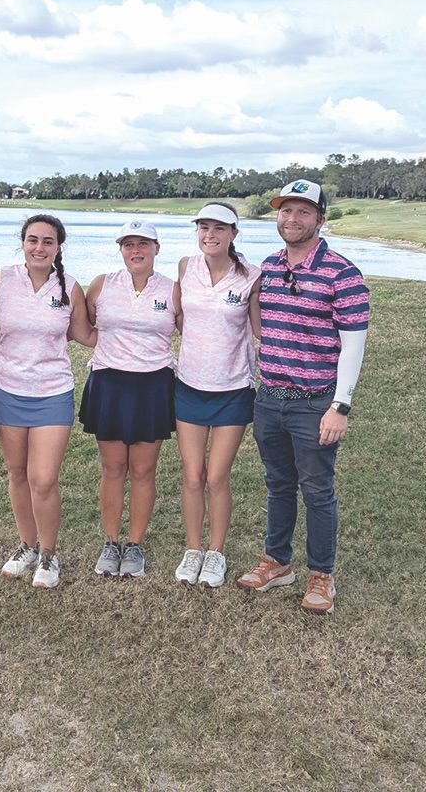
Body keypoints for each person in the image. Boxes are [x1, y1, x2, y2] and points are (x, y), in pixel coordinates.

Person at [234, 180, 369, 615]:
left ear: (320, 219)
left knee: (317, 489)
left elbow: (353, 345)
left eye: (303, 212)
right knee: (277, 484)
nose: (292, 219)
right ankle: (277, 562)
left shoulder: (342, 274)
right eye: (285, 211)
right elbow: (258, 322)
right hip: (269, 397)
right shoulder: (269, 268)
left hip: (315, 402)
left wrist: (340, 406)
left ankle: (321, 575)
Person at [0, 214, 94, 589]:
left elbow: (84, 334)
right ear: (22, 243)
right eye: (32, 240)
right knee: (17, 473)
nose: (39, 247)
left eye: (48, 241)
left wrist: (139, 330)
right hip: (5, 390)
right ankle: (26, 546)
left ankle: (49, 554)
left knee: (44, 479)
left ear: (59, 247)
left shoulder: (70, 288)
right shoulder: (1, 280)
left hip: (52, 392)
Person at [80, 220, 178, 579]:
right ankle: (111, 542)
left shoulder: (172, 289)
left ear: (156, 247)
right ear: (121, 249)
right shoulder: (103, 284)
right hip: (109, 383)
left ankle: (134, 545)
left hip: (153, 386)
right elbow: (86, 327)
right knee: (112, 468)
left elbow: (193, 330)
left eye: (143, 244)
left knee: (142, 470)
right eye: (128, 245)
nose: (135, 251)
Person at [172, 202, 262, 588]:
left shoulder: (251, 276)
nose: (210, 234)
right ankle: (193, 549)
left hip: (234, 389)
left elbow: (259, 331)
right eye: (204, 227)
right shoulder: (184, 266)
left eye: (219, 228)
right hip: (189, 384)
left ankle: (216, 553)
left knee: (216, 477)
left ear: (234, 234)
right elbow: (177, 318)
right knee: (192, 476)